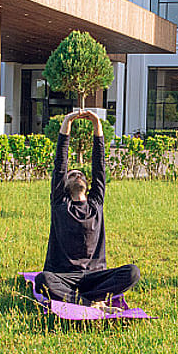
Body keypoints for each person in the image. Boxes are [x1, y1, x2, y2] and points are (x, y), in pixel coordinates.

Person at [35, 108, 141, 308]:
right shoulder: (60, 203)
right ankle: (89, 302)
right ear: (65, 186)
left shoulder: (95, 203)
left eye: (80, 174)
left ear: (87, 183)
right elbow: (60, 164)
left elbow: (100, 167)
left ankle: (82, 299)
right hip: (63, 276)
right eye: (72, 174)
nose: (76, 175)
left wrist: (97, 126)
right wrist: (67, 123)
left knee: (132, 272)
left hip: (94, 277)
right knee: (43, 280)